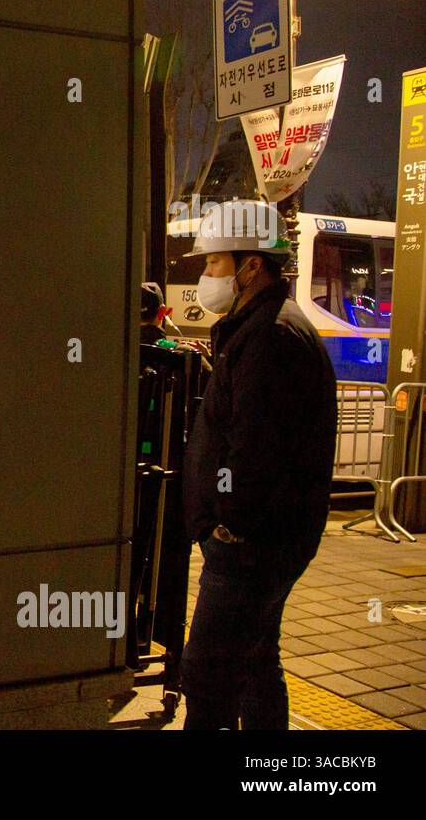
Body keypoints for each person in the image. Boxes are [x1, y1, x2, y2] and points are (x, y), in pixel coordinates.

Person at [181, 200, 337, 730]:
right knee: (254, 661)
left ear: (252, 265)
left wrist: (229, 525)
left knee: (206, 674)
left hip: (251, 545)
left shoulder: (270, 336)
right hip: (264, 538)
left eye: (214, 263)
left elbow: (256, 448)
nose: (206, 276)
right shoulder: (257, 327)